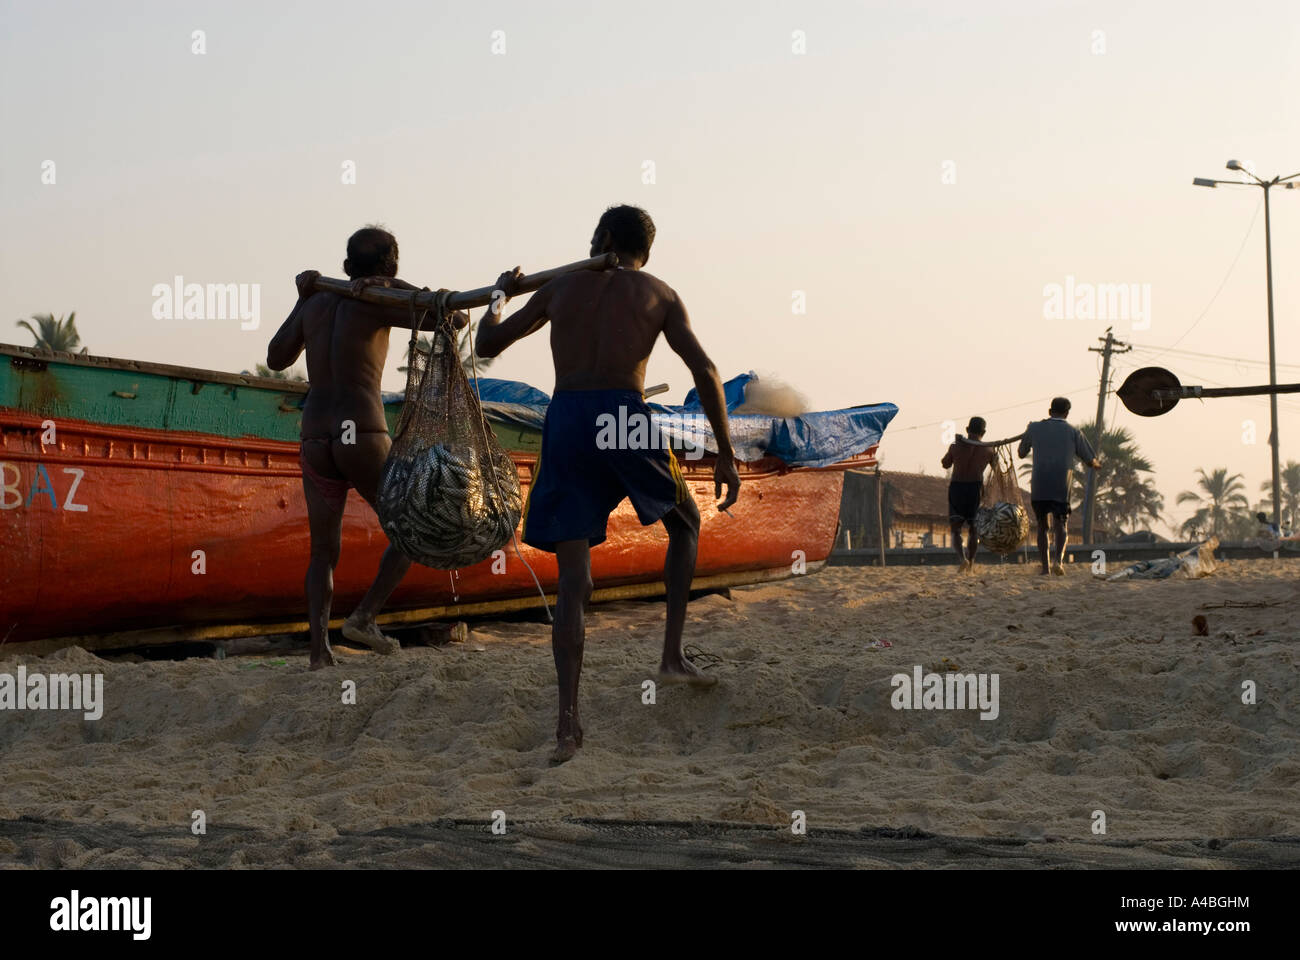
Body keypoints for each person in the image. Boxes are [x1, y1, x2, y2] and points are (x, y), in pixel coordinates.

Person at [476, 205, 741, 764]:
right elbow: (707, 371)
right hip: (623, 415)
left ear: (600, 240)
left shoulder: (562, 288)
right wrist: (726, 453)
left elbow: (487, 345)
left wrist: (500, 294)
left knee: (574, 580)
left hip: (567, 418)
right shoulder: (659, 294)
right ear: (646, 249)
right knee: (686, 522)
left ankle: (568, 727)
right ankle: (671, 657)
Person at [266, 225, 467, 669]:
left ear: (345, 267)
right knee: (412, 528)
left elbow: (277, 357)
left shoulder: (317, 302)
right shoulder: (378, 298)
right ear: (390, 267)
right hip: (361, 432)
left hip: (316, 435)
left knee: (323, 552)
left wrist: (302, 299)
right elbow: (452, 319)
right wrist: (397, 287)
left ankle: (320, 654)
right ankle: (364, 618)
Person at [1017, 397, 1100, 576]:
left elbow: (1021, 453)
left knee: (1041, 526)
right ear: (1067, 413)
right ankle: (1058, 561)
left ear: (1050, 410)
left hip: (1040, 484)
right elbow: (1089, 459)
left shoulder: (1034, 428)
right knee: (1061, 523)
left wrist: (1029, 433)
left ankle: (1045, 569)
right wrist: (1096, 464)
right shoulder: (1074, 432)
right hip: (1061, 486)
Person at [941, 416, 996, 572]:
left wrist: (955, 444)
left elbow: (945, 464)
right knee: (974, 529)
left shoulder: (956, 444)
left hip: (957, 487)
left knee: (955, 529)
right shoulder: (988, 449)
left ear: (967, 429)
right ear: (983, 432)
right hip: (975, 489)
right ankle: (970, 562)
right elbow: (997, 468)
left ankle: (962, 559)